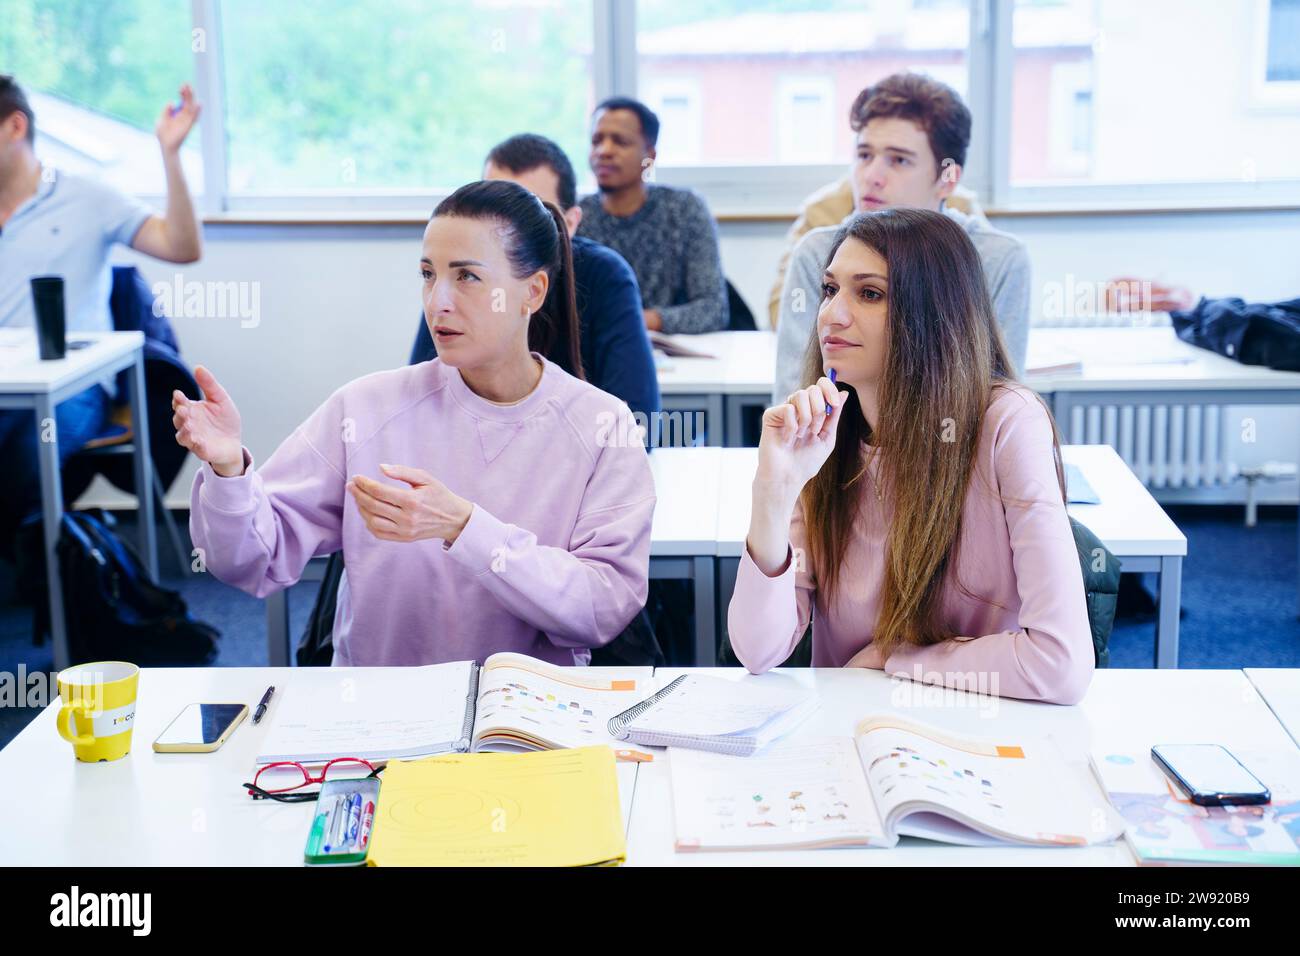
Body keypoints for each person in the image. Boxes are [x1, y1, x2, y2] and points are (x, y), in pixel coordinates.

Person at [178, 180, 656, 666]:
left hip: (523, 720)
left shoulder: (600, 424)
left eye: (467, 276)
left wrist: (464, 527)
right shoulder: (365, 408)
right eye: (428, 274)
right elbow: (252, 560)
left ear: (532, 291)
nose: (437, 301)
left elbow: (602, 608)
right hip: (378, 716)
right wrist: (229, 472)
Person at [730, 207, 1092, 705]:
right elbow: (757, 649)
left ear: (933, 313)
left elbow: (1060, 665)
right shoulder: (823, 435)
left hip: (984, 728)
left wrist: (892, 659)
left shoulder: (1007, 423)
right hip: (854, 731)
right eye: (830, 289)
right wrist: (774, 490)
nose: (832, 315)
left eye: (870, 293)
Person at [0, 75, 202, 554]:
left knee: (30, 450)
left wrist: (171, 156)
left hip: (74, 388)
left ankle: (56, 561)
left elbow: (182, 246)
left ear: (13, 127)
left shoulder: (85, 198)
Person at [772, 73, 1031, 401]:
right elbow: (794, 398)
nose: (872, 176)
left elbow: (997, 406)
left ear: (948, 179)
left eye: (898, 160)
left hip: (952, 448)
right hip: (838, 446)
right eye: (865, 155)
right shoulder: (818, 252)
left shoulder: (997, 259)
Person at [411, 133, 660, 423]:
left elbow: (640, 420)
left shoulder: (605, 275)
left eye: (534, 216)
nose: (441, 300)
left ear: (570, 224)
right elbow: (421, 407)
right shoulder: (451, 287)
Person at [577, 97, 727, 335]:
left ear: (650, 156)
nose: (604, 151)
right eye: (597, 141)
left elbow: (713, 309)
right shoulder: (576, 216)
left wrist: (639, 320)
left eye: (620, 142)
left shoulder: (685, 209)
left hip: (678, 356)